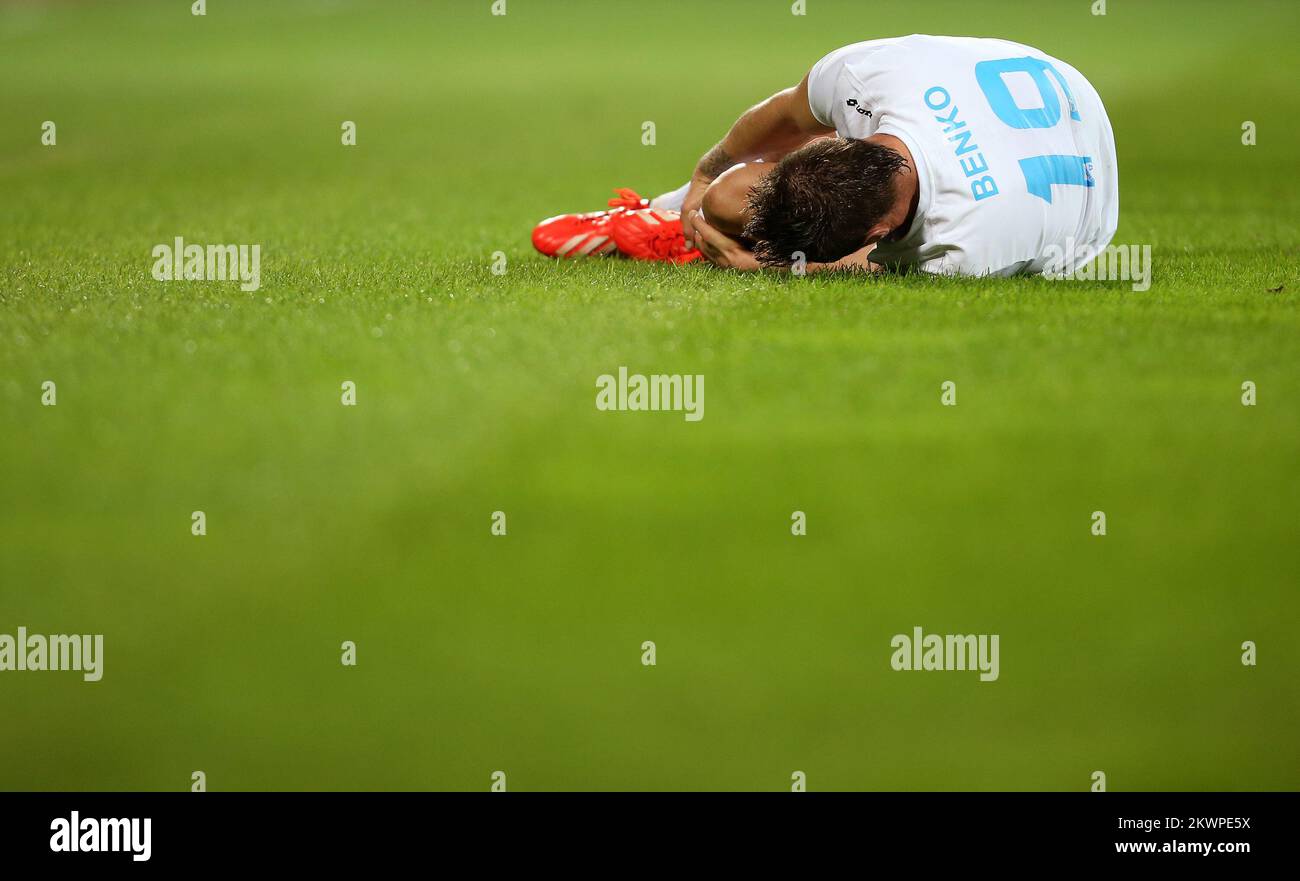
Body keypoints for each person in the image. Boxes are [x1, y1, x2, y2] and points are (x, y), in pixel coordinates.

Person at [533, 34, 1118, 277]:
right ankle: (676, 212)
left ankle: (681, 226)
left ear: (883, 231)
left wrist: (768, 263)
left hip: (1085, 200)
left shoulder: (966, 242)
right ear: (839, 142)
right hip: (1055, 78)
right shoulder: (868, 77)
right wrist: (704, 173)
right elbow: (788, 112)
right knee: (726, 196)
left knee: (739, 208)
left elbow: (864, 269)